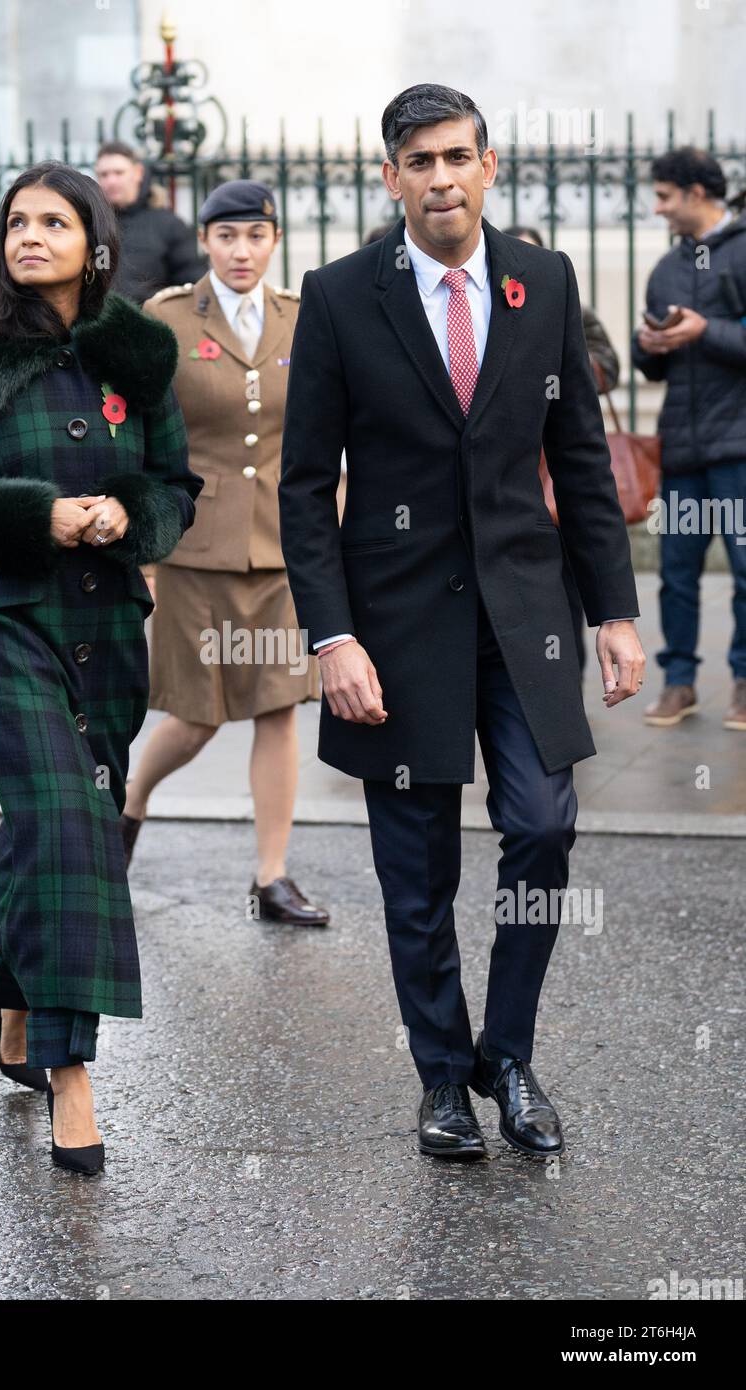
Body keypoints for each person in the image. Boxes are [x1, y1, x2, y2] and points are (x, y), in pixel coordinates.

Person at [279, 84, 645, 1161]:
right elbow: (306, 487)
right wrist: (330, 637)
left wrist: (615, 610)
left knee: (542, 823)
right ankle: (442, 1076)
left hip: (525, 619)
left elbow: (579, 459)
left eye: (457, 156)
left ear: (490, 164)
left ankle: (511, 1054)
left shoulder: (545, 282)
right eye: (418, 161)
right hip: (391, 631)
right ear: (389, 178)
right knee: (417, 867)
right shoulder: (342, 296)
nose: (440, 177)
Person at [0, 160, 203, 1175]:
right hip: (4, 622)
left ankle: (8, 982)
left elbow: (176, 485)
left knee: (48, 822)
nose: (30, 236)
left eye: (54, 222)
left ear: (94, 240)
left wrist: (132, 515)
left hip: (110, 625)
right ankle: (73, 1076)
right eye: (17, 222)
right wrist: (39, 515)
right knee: (73, 826)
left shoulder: (140, 352)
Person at [124, 180, 329, 927]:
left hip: (282, 547)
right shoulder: (168, 318)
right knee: (196, 716)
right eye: (226, 237)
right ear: (205, 242)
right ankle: (131, 802)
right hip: (195, 547)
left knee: (277, 709)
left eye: (255, 236)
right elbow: (140, 430)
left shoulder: (305, 319)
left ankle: (271, 877)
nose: (242, 252)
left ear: (274, 240)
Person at [632, 148, 746, 732]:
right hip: (681, 450)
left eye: (665, 196)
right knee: (676, 575)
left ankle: (744, 684)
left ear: (698, 194)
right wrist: (646, 346)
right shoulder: (666, 270)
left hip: (739, 450)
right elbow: (650, 369)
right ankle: (679, 683)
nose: (658, 208)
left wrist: (710, 332)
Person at [505, 223, 622, 676]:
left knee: (567, 589)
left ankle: (565, 681)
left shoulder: (563, 304)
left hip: (552, 477)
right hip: (515, 476)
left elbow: (604, 366)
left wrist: (557, 368)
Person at [94, 141, 208, 303]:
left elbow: (192, 284)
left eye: (119, 173)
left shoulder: (169, 225)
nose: (111, 181)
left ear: (138, 173)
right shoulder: (91, 225)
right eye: (104, 175)